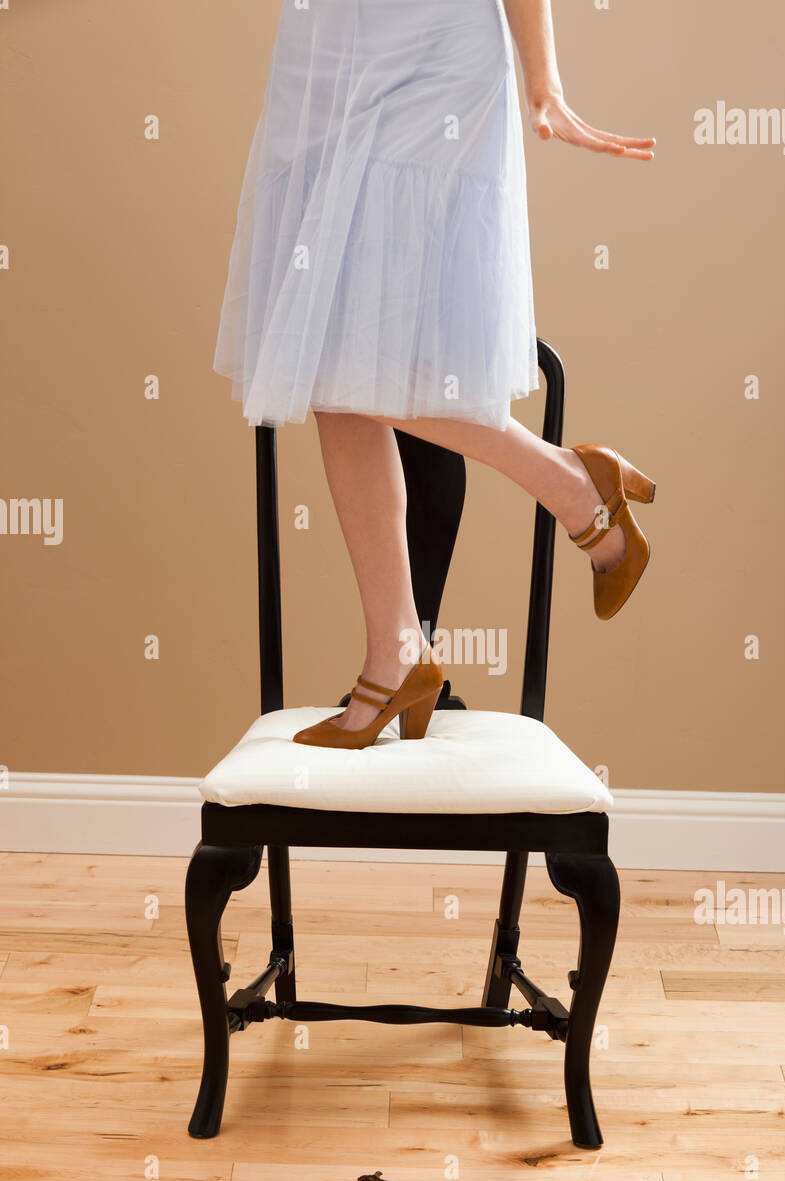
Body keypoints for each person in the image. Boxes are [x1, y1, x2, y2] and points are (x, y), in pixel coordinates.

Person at [214, 0, 656, 749]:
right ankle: (400, 649)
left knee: (352, 351)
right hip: (323, 49)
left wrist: (541, 79)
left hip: (429, 51)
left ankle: (569, 491)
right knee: (329, 362)